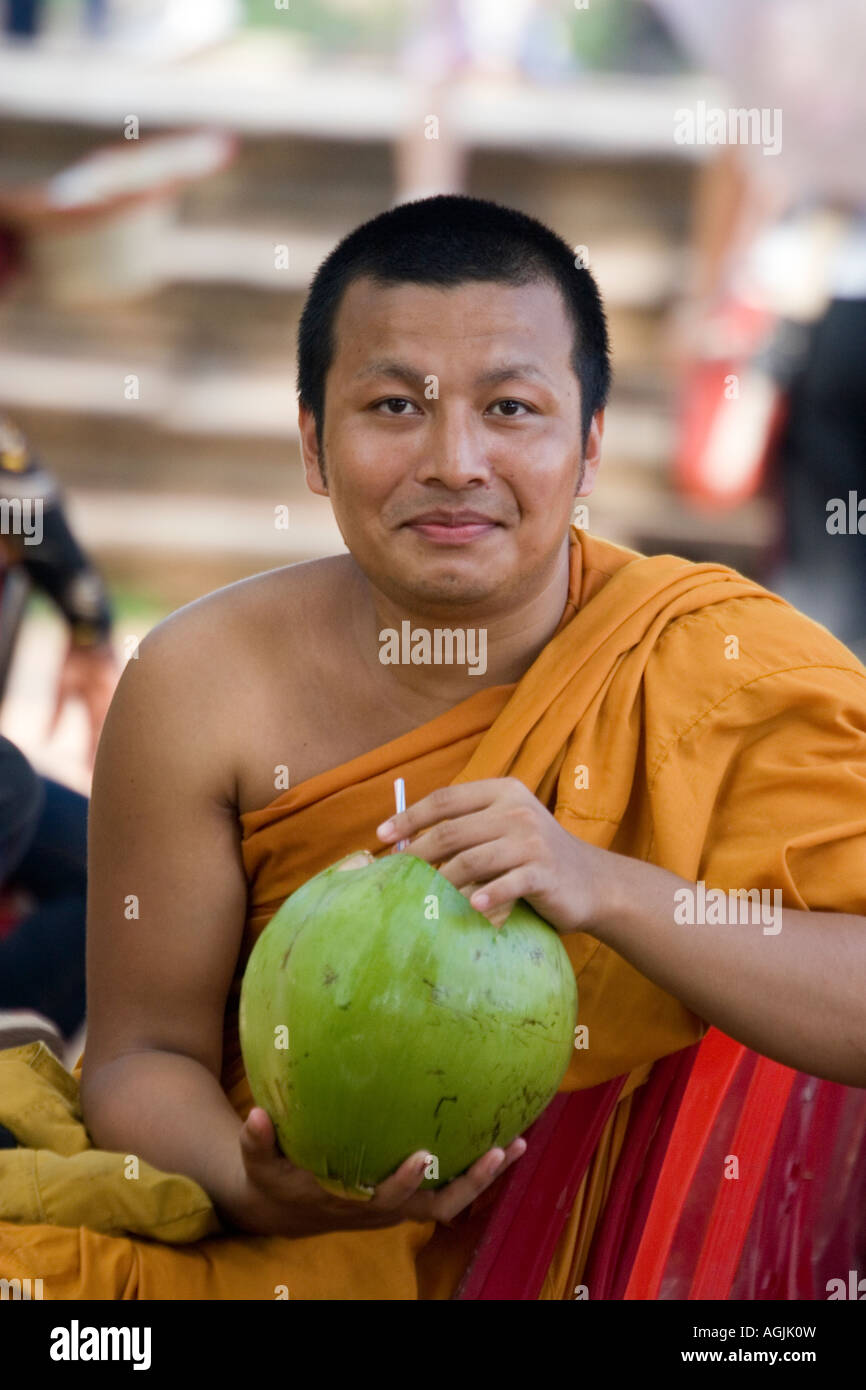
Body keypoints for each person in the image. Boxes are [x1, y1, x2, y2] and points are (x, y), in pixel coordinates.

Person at [1, 194, 865, 1299]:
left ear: (589, 444)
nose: (454, 460)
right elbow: (138, 1058)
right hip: (281, 1251)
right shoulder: (199, 685)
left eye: (510, 406)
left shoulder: (711, 662)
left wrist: (602, 886)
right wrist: (255, 1181)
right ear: (313, 443)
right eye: (393, 405)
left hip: (596, 1260)